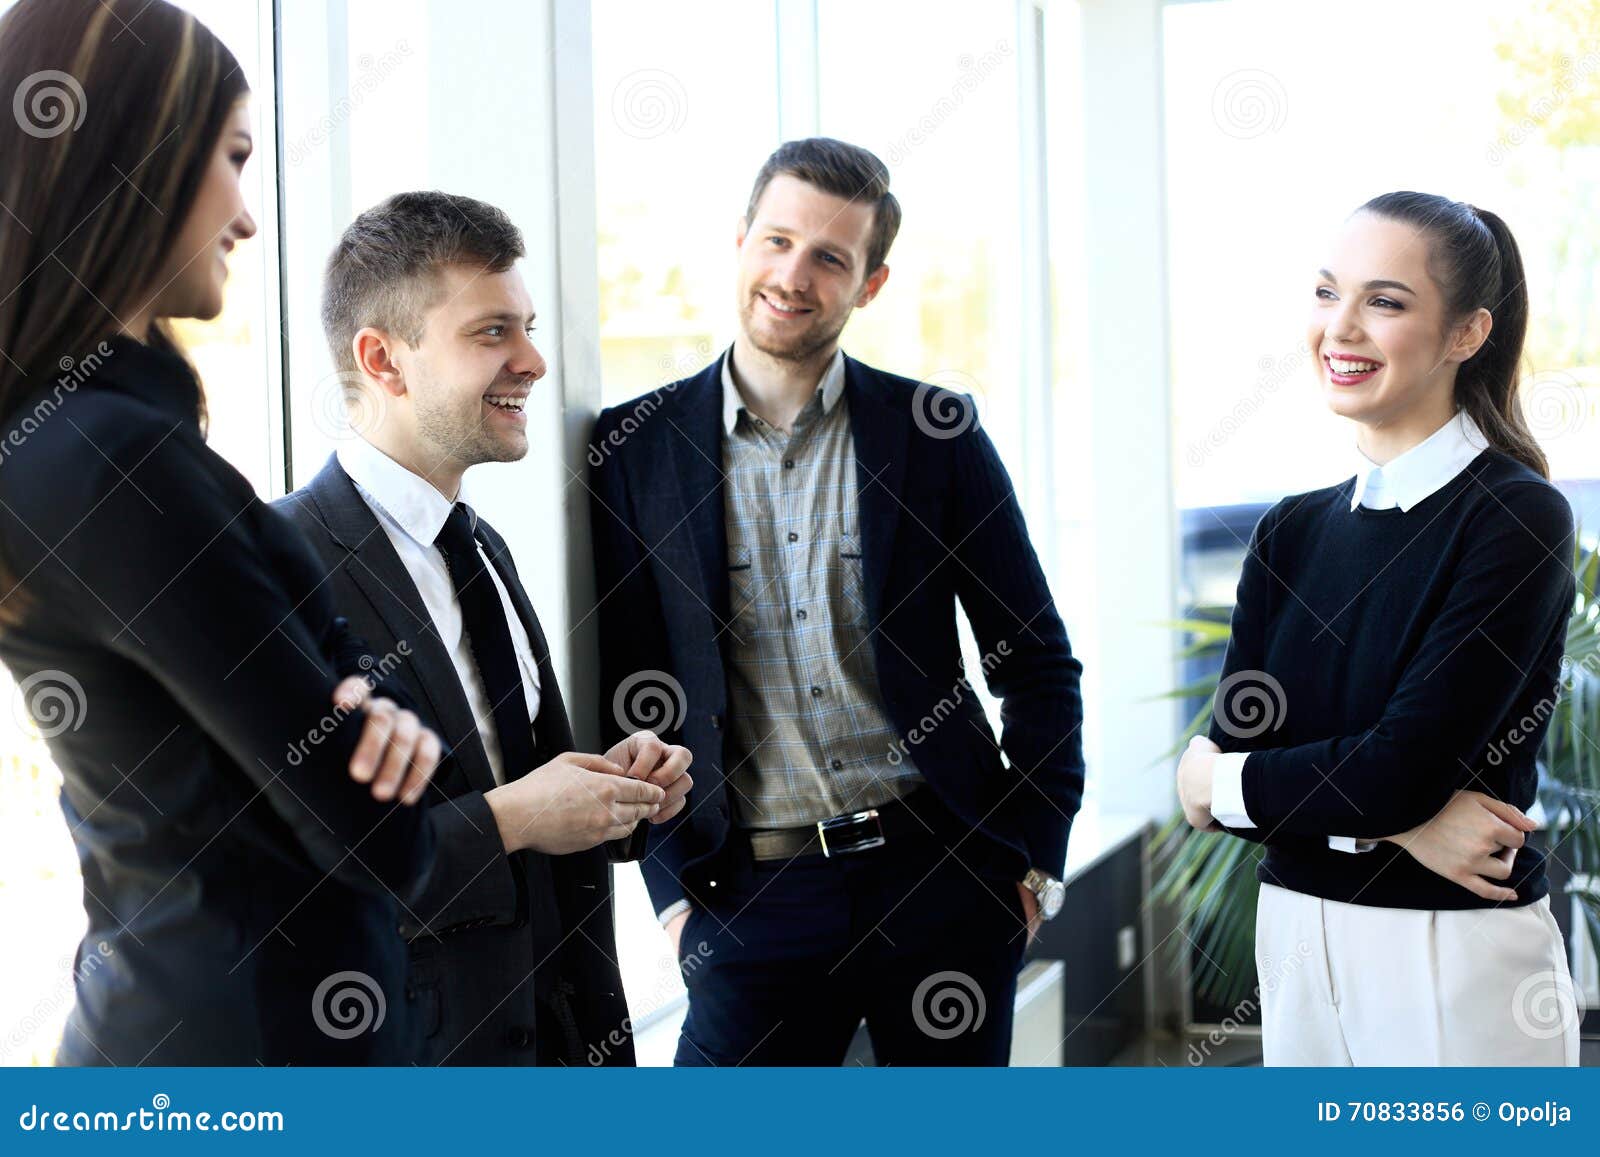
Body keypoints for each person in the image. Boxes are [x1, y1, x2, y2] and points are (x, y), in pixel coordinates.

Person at [0, 0, 441, 1064]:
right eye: (234, 156)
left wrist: (359, 717)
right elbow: (379, 830)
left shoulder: (76, 440)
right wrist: (366, 710)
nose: (249, 214)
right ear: (136, 154)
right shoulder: (113, 462)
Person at [589, 138, 1085, 1066]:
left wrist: (1031, 862)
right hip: (748, 896)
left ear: (871, 283)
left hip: (941, 877)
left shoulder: (936, 433)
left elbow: (1037, 660)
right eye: (776, 241)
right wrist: (672, 903)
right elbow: (630, 686)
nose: (793, 275)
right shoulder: (633, 449)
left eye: (829, 257)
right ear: (739, 241)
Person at [278, 191, 692, 1065]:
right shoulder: (278, 567)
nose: (535, 361)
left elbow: (524, 787)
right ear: (383, 361)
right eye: (493, 332)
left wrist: (618, 796)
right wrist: (512, 816)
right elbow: (289, 872)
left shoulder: (482, 547)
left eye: (528, 327)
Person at [1176, 191, 1582, 1066]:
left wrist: (1226, 783)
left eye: (1385, 302)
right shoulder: (1291, 529)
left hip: (1447, 949)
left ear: (1468, 334)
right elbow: (1252, 751)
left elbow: (1384, 766)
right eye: (1328, 294)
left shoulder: (1515, 517)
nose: (1340, 328)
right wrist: (1406, 823)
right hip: (1292, 931)